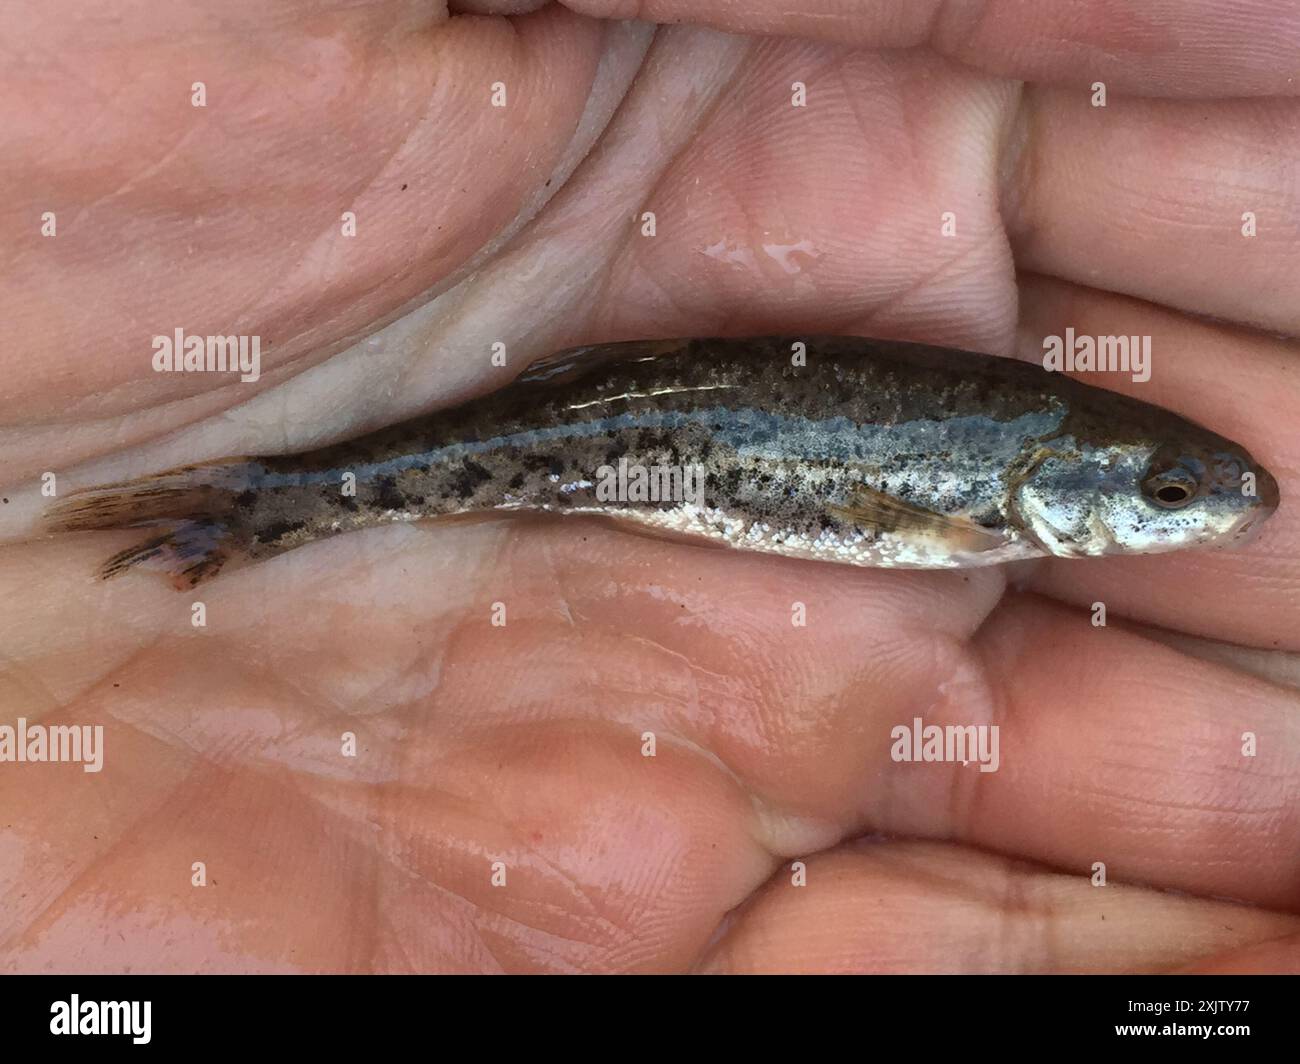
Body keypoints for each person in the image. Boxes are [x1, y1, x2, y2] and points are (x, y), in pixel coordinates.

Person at [1, 0, 1296, 973]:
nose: (1211, 512)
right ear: (1065, 470)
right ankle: (268, 502)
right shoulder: (985, 495)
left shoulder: (1009, 470)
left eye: (1180, 497)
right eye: (1176, 491)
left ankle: (262, 504)